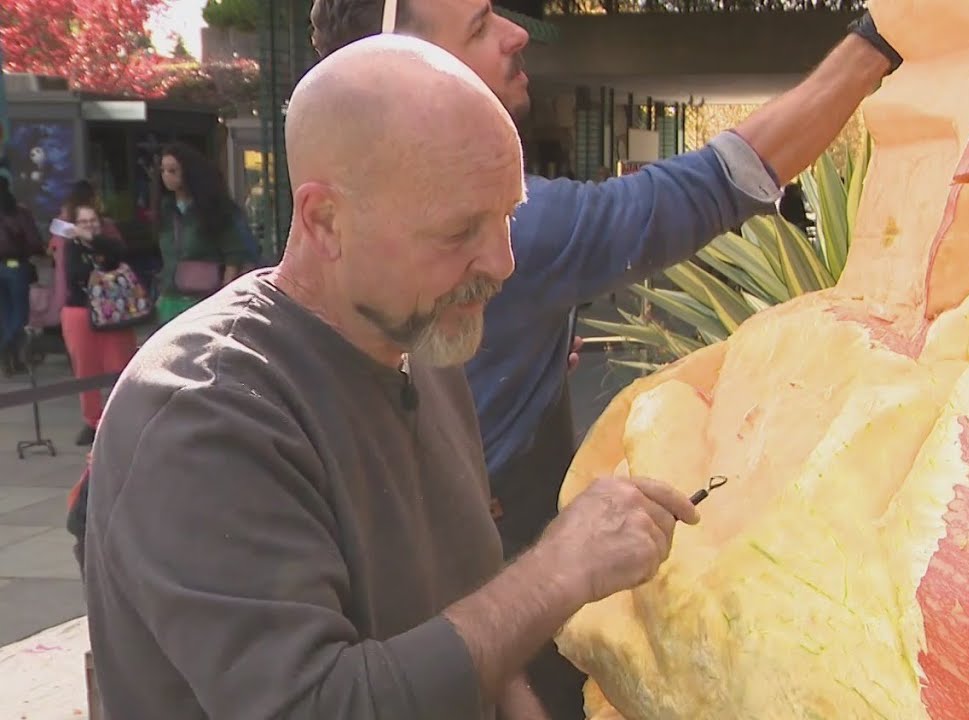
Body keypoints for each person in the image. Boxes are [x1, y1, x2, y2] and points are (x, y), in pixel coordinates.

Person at [81, 34, 699, 720]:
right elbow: (320, 706)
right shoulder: (206, 413)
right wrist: (558, 571)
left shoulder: (421, 346)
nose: (502, 261)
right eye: (459, 231)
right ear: (326, 220)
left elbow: (467, 627)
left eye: (507, 216)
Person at [309, 0, 902, 714]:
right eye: (477, 26)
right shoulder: (209, 407)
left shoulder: (395, 332)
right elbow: (707, 188)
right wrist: (878, 40)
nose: (516, 32)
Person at [59, 203, 139, 447]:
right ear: (74, 225)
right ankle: (92, 421)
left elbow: (120, 256)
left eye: (93, 221)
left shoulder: (108, 242)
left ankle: (122, 418)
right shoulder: (71, 247)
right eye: (83, 222)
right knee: (86, 367)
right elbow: (78, 276)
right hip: (81, 312)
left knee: (119, 364)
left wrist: (95, 241)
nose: (89, 226)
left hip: (114, 313)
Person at [155, 142, 256, 324]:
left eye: (172, 170)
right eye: (163, 171)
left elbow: (233, 256)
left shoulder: (212, 209)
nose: (166, 176)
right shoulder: (166, 209)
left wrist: (225, 299)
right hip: (170, 298)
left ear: (188, 172)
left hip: (204, 298)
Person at [0, 175, 43, 376]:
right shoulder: (19, 212)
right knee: (19, 314)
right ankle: (7, 347)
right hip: (16, 267)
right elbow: (34, 241)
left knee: (7, 314)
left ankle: (12, 359)